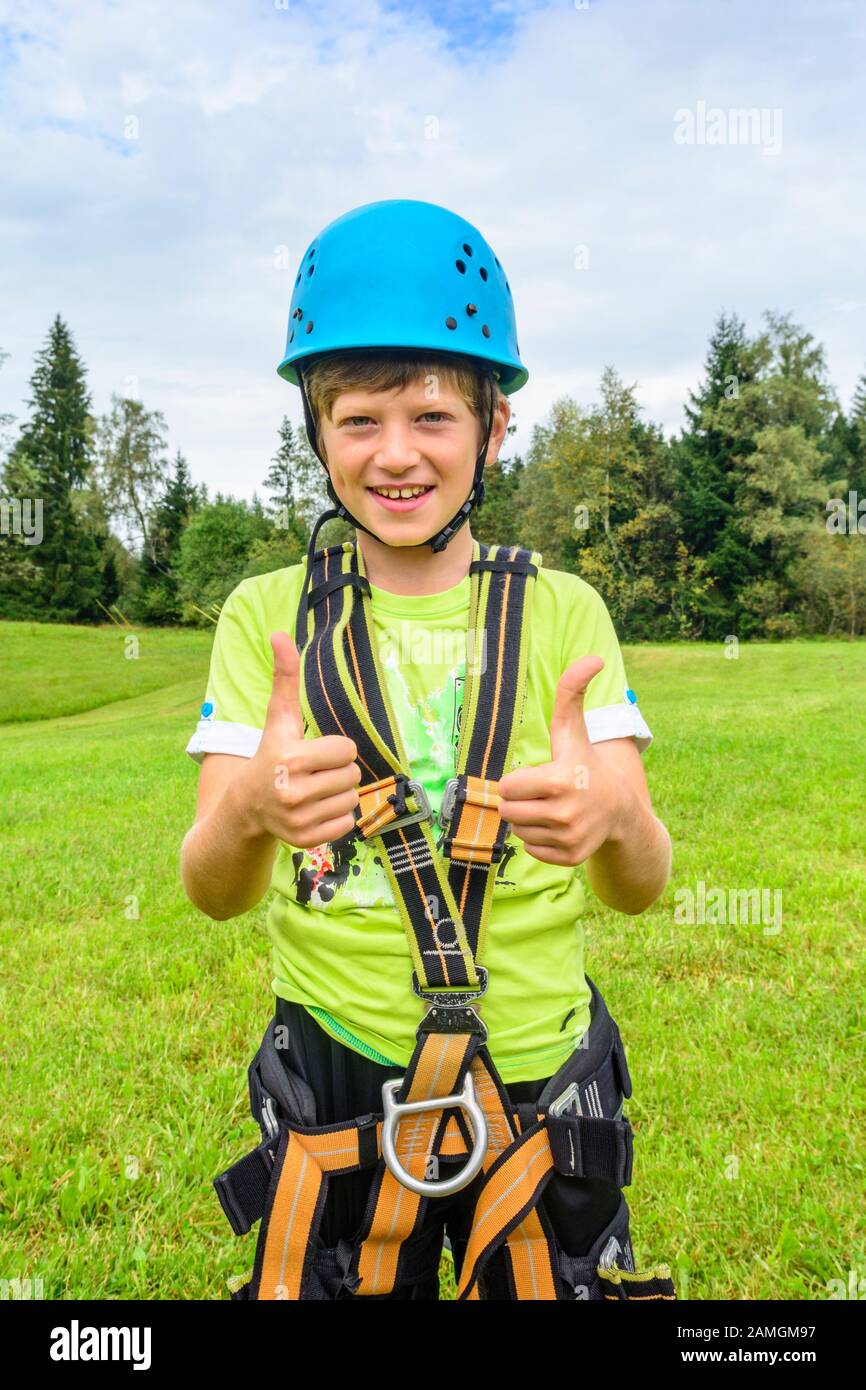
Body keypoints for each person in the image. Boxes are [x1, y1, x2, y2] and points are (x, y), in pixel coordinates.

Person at [180, 199, 675, 1301]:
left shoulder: (563, 612)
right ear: (315, 434)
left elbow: (641, 884)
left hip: (537, 1073)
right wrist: (251, 808)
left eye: (432, 417)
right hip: (335, 1071)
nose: (395, 454)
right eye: (358, 420)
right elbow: (211, 890)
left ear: (494, 428)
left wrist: (614, 820)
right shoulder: (264, 619)